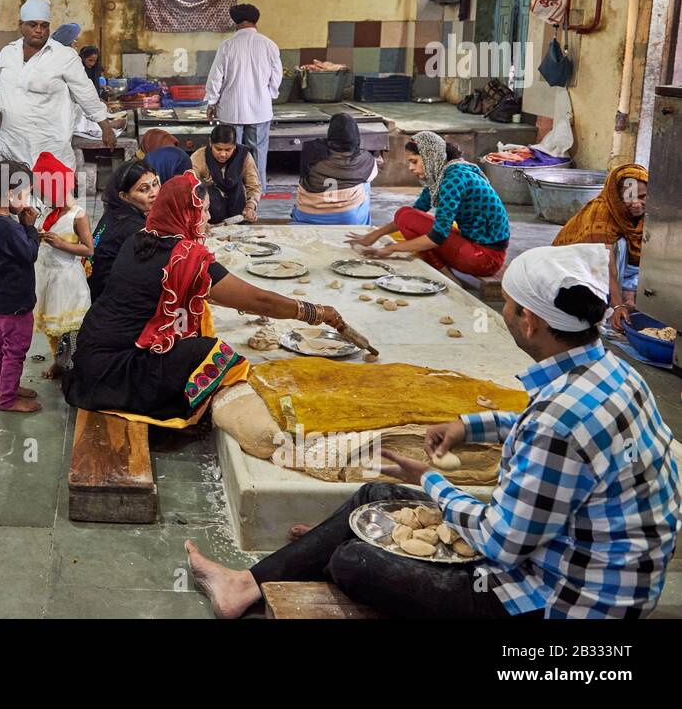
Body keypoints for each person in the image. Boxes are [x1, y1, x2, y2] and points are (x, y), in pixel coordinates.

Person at [185, 243, 681, 619]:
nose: (504, 315)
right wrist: (471, 424)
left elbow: (500, 542)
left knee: (353, 561)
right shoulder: (610, 373)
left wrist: (432, 482)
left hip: (559, 598)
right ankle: (245, 586)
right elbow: (543, 426)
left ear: (529, 321)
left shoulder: (559, 421)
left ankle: (327, 553)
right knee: (376, 492)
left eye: (507, 306)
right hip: (584, 561)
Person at [63, 171, 346, 425]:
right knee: (218, 355)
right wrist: (316, 312)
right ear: (187, 213)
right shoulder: (187, 258)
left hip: (89, 358)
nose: (208, 219)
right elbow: (261, 301)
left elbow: (200, 292)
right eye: (205, 211)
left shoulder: (139, 239)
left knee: (198, 327)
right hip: (116, 372)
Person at [0, 0, 115, 170]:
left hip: (49, 147)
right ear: (20, 25)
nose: (39, 30)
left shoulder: (64, 56)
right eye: (32, 25)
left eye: (44, 26)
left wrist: (106, 127)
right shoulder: (8, 53)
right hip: (10, 145)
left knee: (52, 196)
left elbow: (86, 93)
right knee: (12, 195)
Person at [346, 131, 509, 277]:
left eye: (414, 161)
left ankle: (447, 278)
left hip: (485, 258)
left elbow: (437, 236)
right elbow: (413, 213)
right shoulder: (442, 175)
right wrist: (374, 235)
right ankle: (447, 275)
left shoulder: (454, 179)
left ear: (430, 157)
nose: (410, 168)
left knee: (410, 219)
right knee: (405, 214)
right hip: (476, 248)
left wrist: (390, 248)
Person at [553, 163, 648, 332]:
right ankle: (607, 302)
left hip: (610, 273)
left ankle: (626, 294)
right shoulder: (601, 215)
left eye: (642, 196)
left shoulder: (643, 216)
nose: (636, 203)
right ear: (616, 197)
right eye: (629, 197)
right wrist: (617, 306)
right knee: (621, 245)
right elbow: (606, 265)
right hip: (575, 273)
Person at [0, 159, 43, 414]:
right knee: (15, 350)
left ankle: (5, 385)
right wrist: (30, 229)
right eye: (26, 192)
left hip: (1, 297)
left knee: (3, 345)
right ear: (9, 194)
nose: (29, 198)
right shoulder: (9, 228)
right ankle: (8, 400)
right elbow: (29, 254)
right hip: (17, 301)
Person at [30, 152, 93, 379]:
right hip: (46, 276)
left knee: (69, 328)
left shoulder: (78, 216)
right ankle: (59, 362)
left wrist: (61, 244)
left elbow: (88, 249)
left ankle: (71, 366)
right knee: (52, 326)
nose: (42, 197)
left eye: (45, 192)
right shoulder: (47, 211)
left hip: (67, 280)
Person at [205, 3, 282, 185]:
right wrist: (266, 95)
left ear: (236, 23)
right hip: (260, 111)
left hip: (231, 111)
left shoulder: (227, 46)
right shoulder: (269, 45)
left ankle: (234, 188)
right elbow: (276, 77)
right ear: (256, 21)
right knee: (258, 151)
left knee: (231, 152)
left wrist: (211, 102)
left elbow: (216, 77)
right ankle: (257, 190)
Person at [88, 159, 159, 300]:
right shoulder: (135, 228)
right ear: (124, 196)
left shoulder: (113, 213)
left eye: (155, 184)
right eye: (144, 189)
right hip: (108, 298)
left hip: (94, 290)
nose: (154, 193)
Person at [291, 112, 379, 225]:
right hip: (348, 218)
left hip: (307, 214)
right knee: (365, 184)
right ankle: (361, 230)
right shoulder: (366, 159)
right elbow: (372, 175)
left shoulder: (312, 150)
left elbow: (303, 176)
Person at [191, 123, 262, 224]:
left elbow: (254, 186)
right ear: (211, 142)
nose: (223, 154)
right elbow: (190, 189)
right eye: (218, 149)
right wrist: (201, 218)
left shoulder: (244, 156)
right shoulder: (198, 158)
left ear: (234, 146)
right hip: (210, 216)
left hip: (238, 212)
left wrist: (250, 207)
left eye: (228, 150)